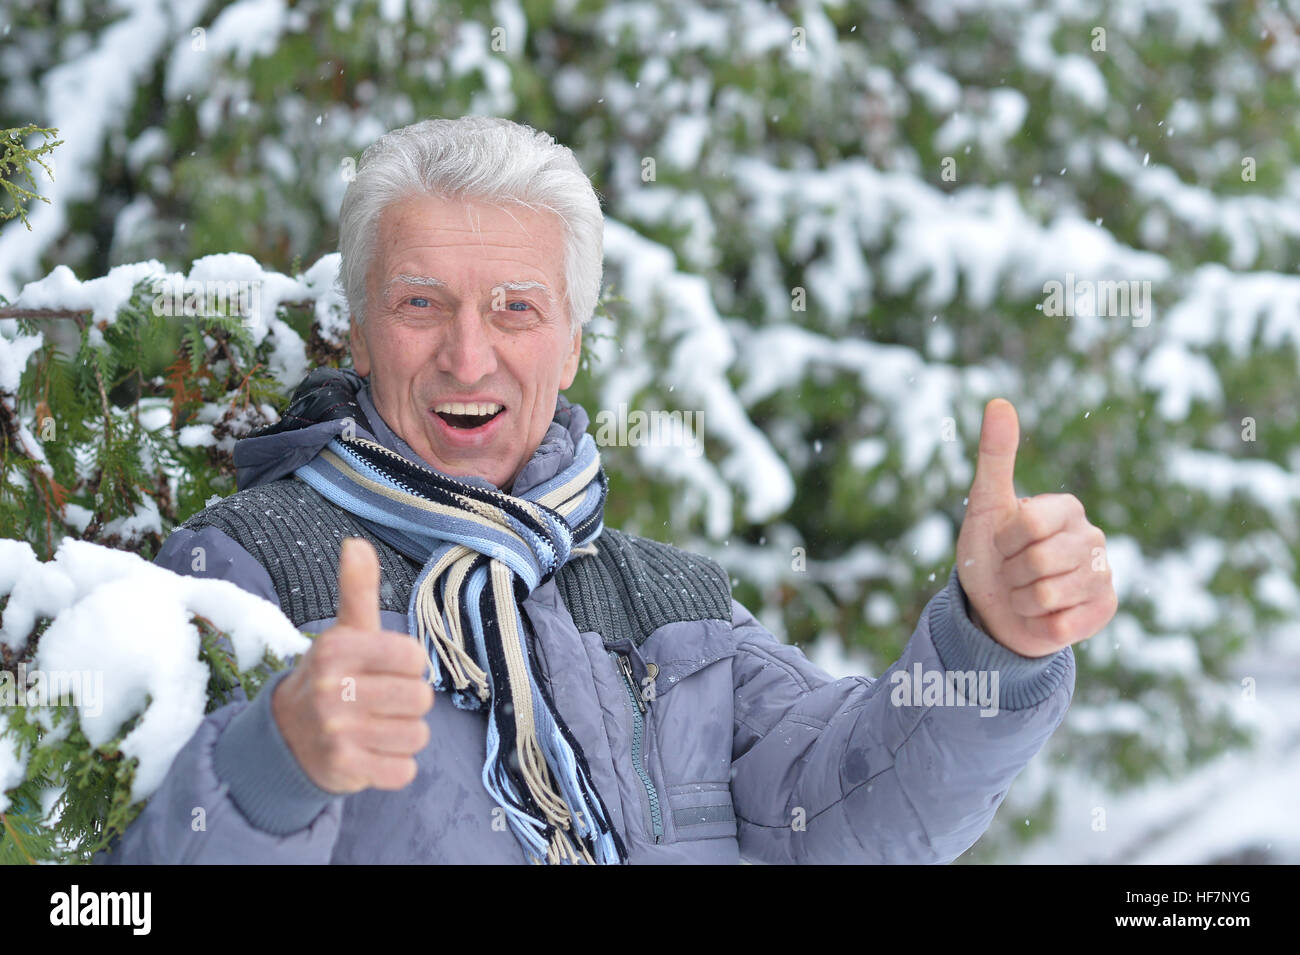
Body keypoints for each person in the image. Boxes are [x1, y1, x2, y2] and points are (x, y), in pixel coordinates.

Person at [96, 116, 1115, 864]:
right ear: (360, 332)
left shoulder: (672, 605)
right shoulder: (241, 566)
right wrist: (277, 765)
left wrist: (994, 640)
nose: (467, 353)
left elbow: (849, 813)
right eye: (420, 304)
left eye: (515, 308)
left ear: (572, 344)